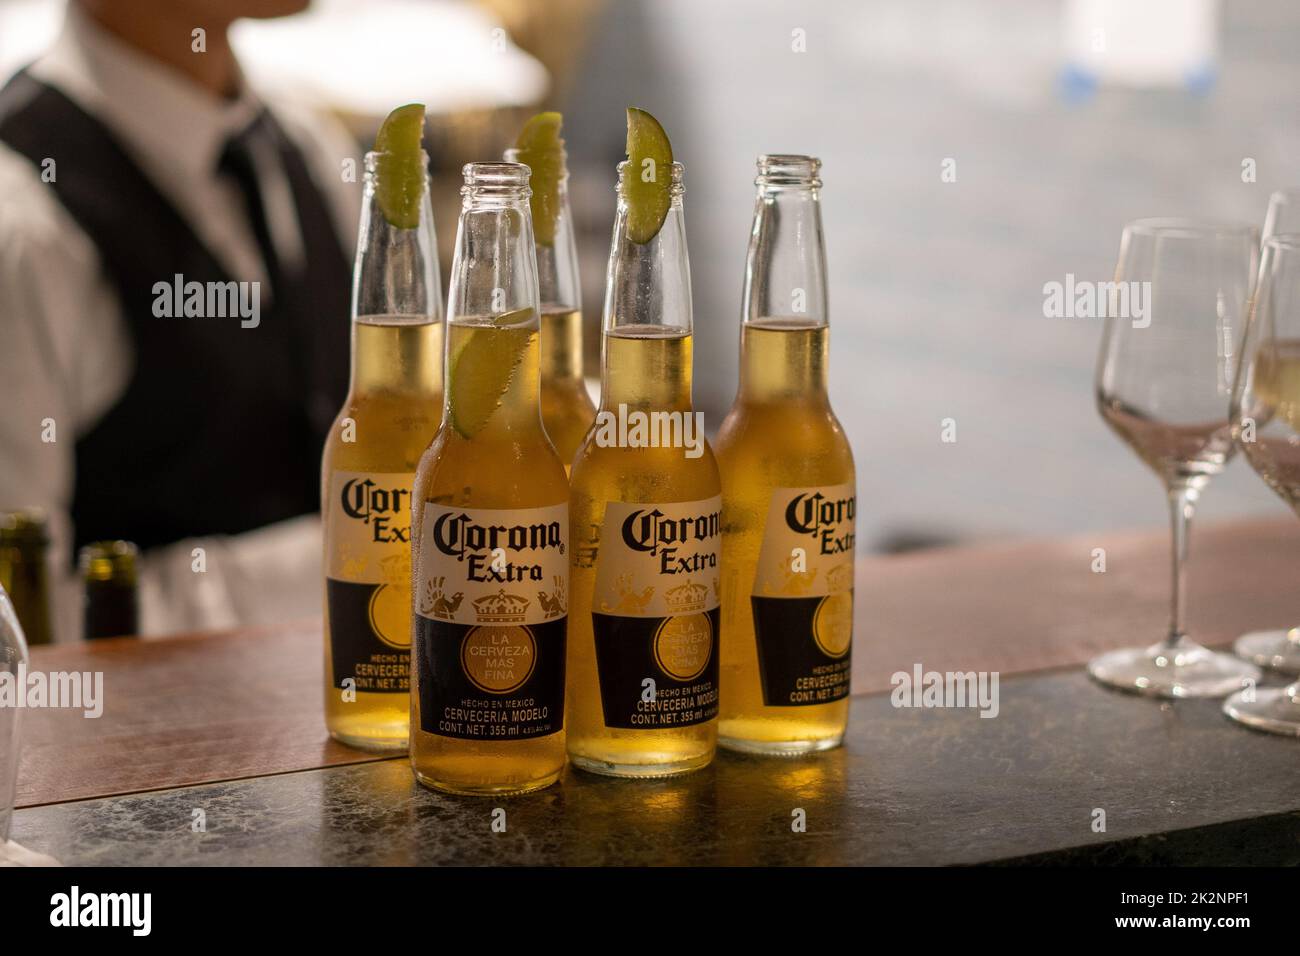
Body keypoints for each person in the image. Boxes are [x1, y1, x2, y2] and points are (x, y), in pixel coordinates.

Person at [0, 0, 361, 638]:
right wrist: (339, 562)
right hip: (124, 736)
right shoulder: (20, 215)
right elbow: (20, 628)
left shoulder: (308, 148)